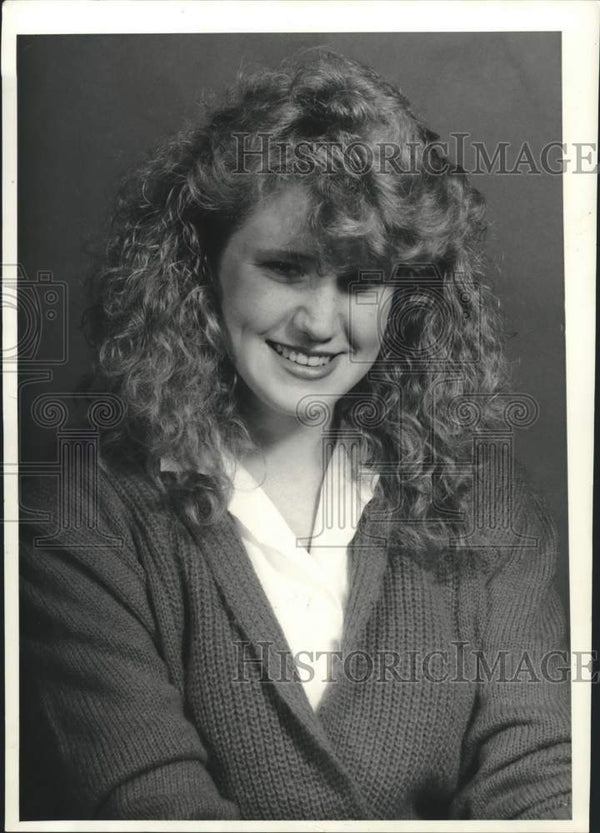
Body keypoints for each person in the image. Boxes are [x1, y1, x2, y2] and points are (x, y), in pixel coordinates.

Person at [20, 49, 571, 820]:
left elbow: (541, 781)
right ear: (203, 266)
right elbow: (154, 803)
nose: (320, 322)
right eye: (288, 268)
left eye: (360, 281)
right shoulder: (86, 515)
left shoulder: (489, 504)